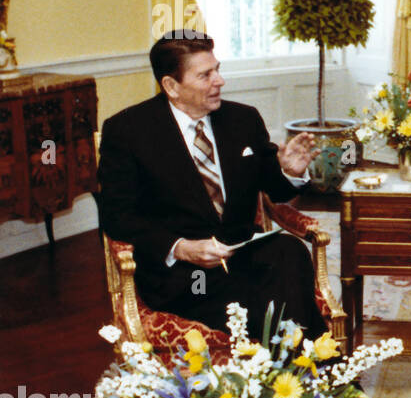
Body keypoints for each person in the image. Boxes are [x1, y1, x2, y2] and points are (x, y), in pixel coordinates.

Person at [98, 30, 326, 337]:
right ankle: (311, 369)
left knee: (288, 251)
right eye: (205, 75)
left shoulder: (243, 120)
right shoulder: (128, 132)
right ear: (171, 86)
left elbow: (276, 189)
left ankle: (294, 369)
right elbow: (117, 216)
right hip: (187, 273)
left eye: (217, 70)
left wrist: (290, 172)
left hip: (243, 252)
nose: (219, 81)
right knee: (269, 304)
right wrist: (181, 249)